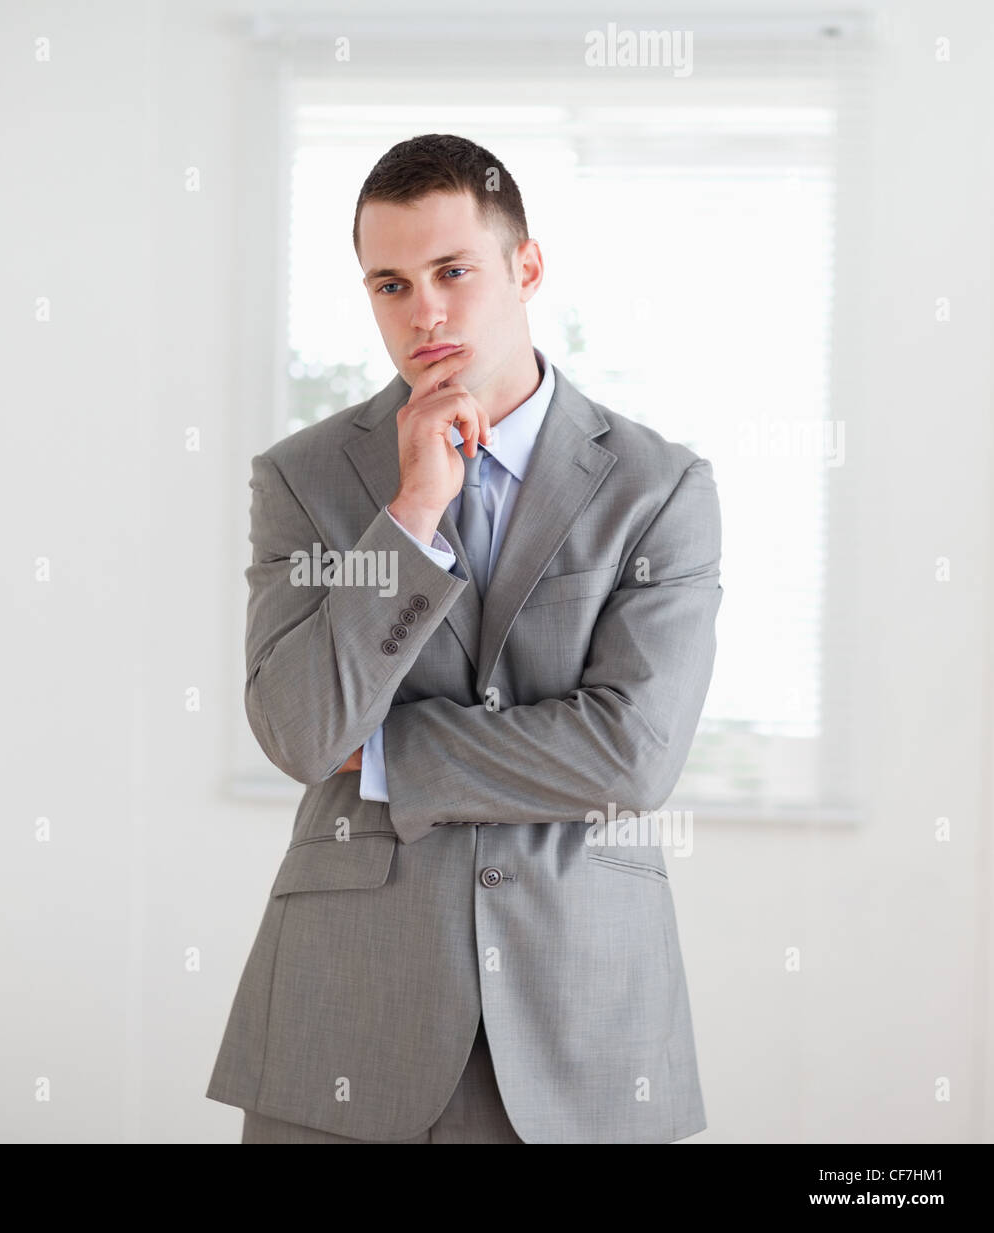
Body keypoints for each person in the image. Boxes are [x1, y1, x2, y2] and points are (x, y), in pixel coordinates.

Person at [206, 133, 722, 1143]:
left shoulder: (658, 489)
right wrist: (409, 513)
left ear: (525, 267)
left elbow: (632, 756)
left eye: (452, 271)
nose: (423, 312)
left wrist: (392, 754)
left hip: (581, 1017)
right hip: (346, 1013)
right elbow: (304, 734)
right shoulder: (302, 480)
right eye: (390, 284)